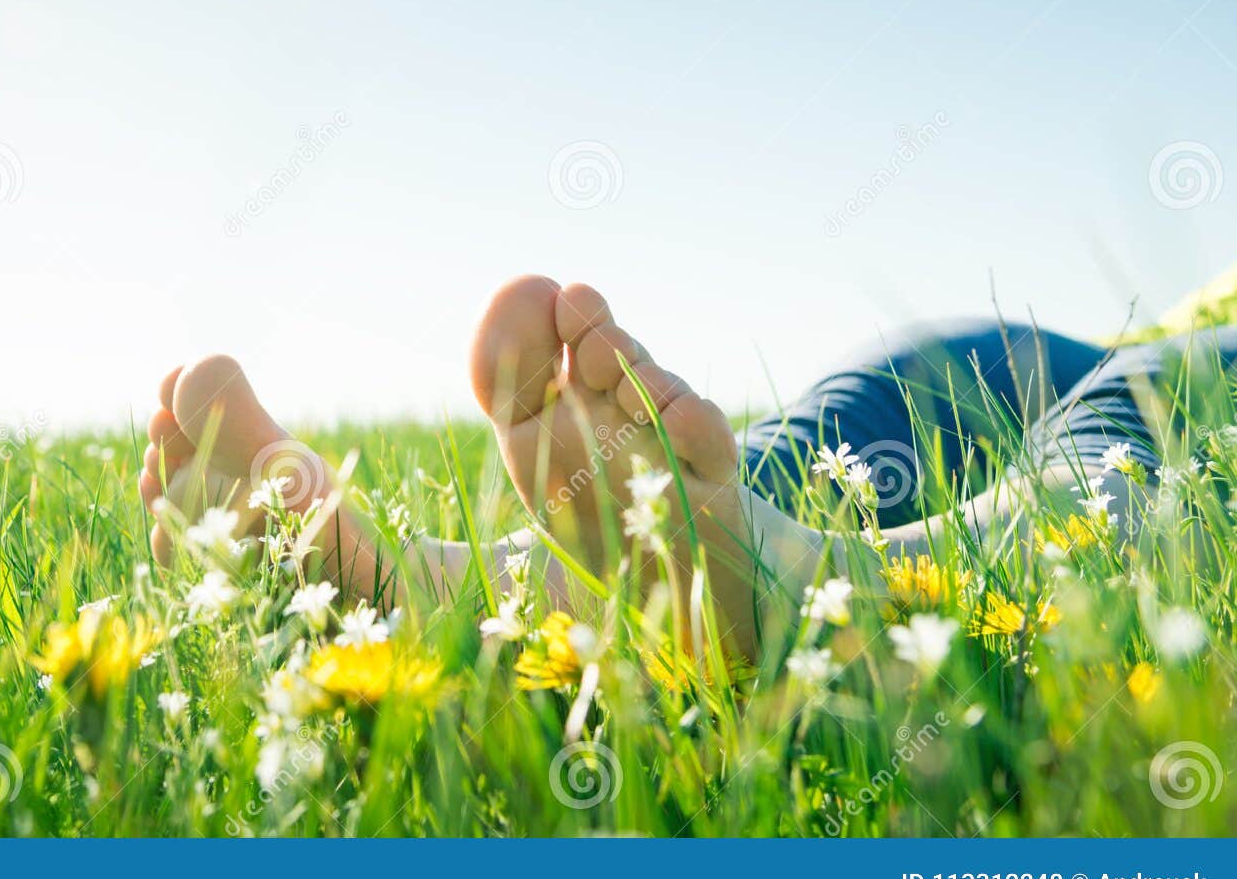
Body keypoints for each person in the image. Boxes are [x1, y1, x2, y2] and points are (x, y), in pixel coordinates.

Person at [138, 275, 1236, 659]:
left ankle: (836, 585)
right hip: (1109, 330)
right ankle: (501, 581)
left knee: (1144, 406)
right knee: (893, 388)